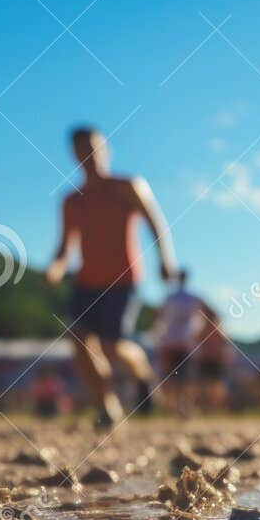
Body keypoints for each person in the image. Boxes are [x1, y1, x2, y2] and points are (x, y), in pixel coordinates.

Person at [44, 125, 175, 428]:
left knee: (111, 346)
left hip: (123, 280)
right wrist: (55, 269)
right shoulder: (71, 200)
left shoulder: (127, 186)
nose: (87, 155)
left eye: (92, 147)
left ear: (105, 149)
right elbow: (65, 246)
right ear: (72, 155)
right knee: (79, 340)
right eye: (79, 150)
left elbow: (156, 222)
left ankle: (141, 370)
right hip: (85, 283)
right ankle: (106, 407)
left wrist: (165, 260)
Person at [154, 268, 201, 416]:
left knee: (173, 376)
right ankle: (182, 407)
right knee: (184, 377)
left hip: (171, 342)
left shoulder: (170, 298)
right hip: (184, 342)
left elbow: (159, 318)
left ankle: (178, 407)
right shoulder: (192, 298)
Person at [191, 301, 232, 410]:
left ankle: (216, 406)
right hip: (205, 359)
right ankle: (207, 406)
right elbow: (195, 340)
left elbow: (224, 344)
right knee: (205, 384)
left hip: (214, 360)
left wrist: (225, 356)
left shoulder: (216, 329)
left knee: (214, 384)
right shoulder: (204, 328)